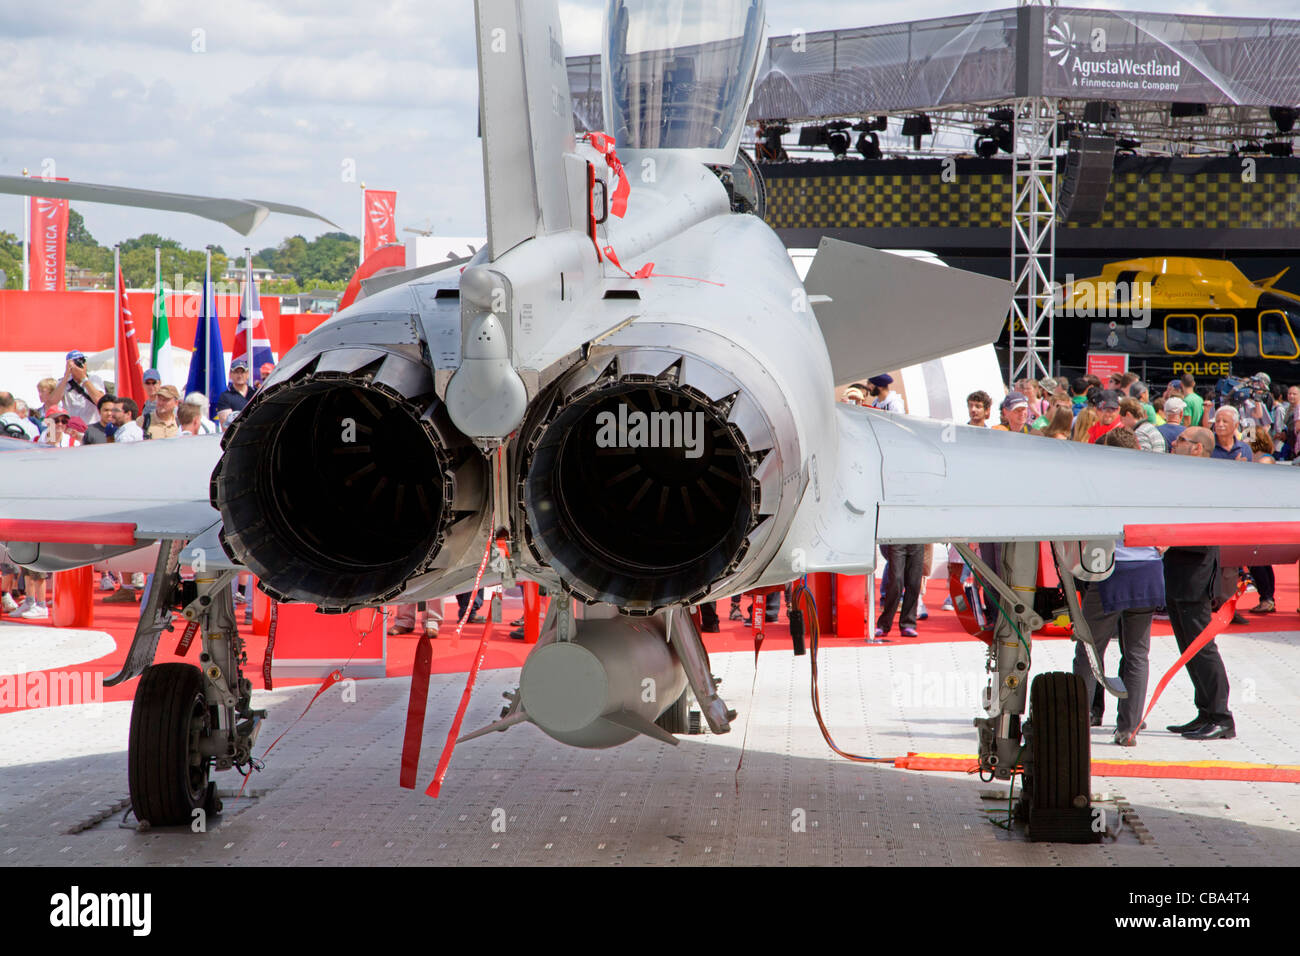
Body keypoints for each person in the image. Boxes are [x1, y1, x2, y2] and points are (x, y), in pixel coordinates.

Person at [1164, 426, 1235, 740]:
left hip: (1195, 576)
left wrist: (1167, 539)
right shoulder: (1187, 478)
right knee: (1189, 649)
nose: (1174, 443)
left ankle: (1221, 716)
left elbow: (1206, 534)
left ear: (1196, 448)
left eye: (1181, 440)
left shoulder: (1206, 481)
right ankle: (1205, 710)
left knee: (1203, 648)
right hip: (1180, 574)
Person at [875, 543, 923, 638]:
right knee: (895, 583)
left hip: (917, 541)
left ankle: (908, 624)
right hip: (897, 542)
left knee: (914, 583)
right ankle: (884, 625)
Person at [45, 350, 105, 425]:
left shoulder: (94, 379)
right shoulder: (64, 382)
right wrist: (66, 375)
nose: (80, 364)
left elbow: (100, 401)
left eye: (82, 361)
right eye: (76, 362)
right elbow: (52, 403)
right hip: (72, 428)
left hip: (91, 426)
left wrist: (84, 378)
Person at [215, 360, 254, 424]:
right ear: (230, 375)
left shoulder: (255, 393)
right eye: (236, 372)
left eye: (242, 372)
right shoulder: (225, 397)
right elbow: (226, 425)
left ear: (248, 374)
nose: (239, 375)